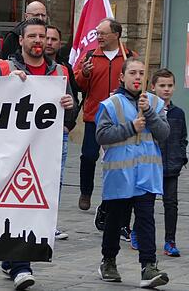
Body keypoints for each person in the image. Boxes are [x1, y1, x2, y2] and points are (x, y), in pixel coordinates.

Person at [0, 18, 76, 290]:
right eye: (33, 36)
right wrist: (5, 85)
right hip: (10, 149)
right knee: (17, 203)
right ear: (22, 40)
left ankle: (12, 258)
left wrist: (69, 105)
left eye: (43, 36)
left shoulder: (60, 71)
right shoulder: (5, 68)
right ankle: (21, 265)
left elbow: (70, 111)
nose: (38, 41)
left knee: (39, 203)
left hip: (47, 149)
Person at [95, 58, 169, 288]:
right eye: (133, 73)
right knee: (116, 221)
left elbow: (164, 134)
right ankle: (108, 260)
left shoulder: (155, 103)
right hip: (120, 175)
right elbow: (102, 135)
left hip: (146, 174)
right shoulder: (110, 104)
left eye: (141, 73)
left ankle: (148, 266)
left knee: (146, 219)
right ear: (122, 77)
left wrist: (150, 114)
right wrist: (130, 128)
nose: (137, 77)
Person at [74, 18, 136, 214]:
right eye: (97, 33)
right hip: (95, 115)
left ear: (116, 35)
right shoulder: (90, 56)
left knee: (116, 160)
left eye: (103, 33)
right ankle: (85, 192)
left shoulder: (129, 56)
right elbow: (78, 84)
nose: (98, 37)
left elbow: (138, 82)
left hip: (121, 117)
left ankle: (113, 198)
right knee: (89, 156)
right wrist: (84, 73)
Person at [43, 24, 79, 241]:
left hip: (57, 134)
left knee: (55, 179)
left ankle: (50, 223)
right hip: (29, 136)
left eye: (53, 39)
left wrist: (69, 123)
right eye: (43, 38)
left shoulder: (63, 69)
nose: (47, 42)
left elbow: (74, 100)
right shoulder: (17, 67)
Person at [149, 69, 186, 257]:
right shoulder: (148, 110)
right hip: (150, 165)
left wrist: (180, 157)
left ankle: (170, 240)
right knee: (144, 203)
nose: (166, 89)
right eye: (162, 86)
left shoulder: (178, 113)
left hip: (171, 166)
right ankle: (139, 234)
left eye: (169, 85)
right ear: (153, 87)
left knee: (171, 203)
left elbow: (182, 138)